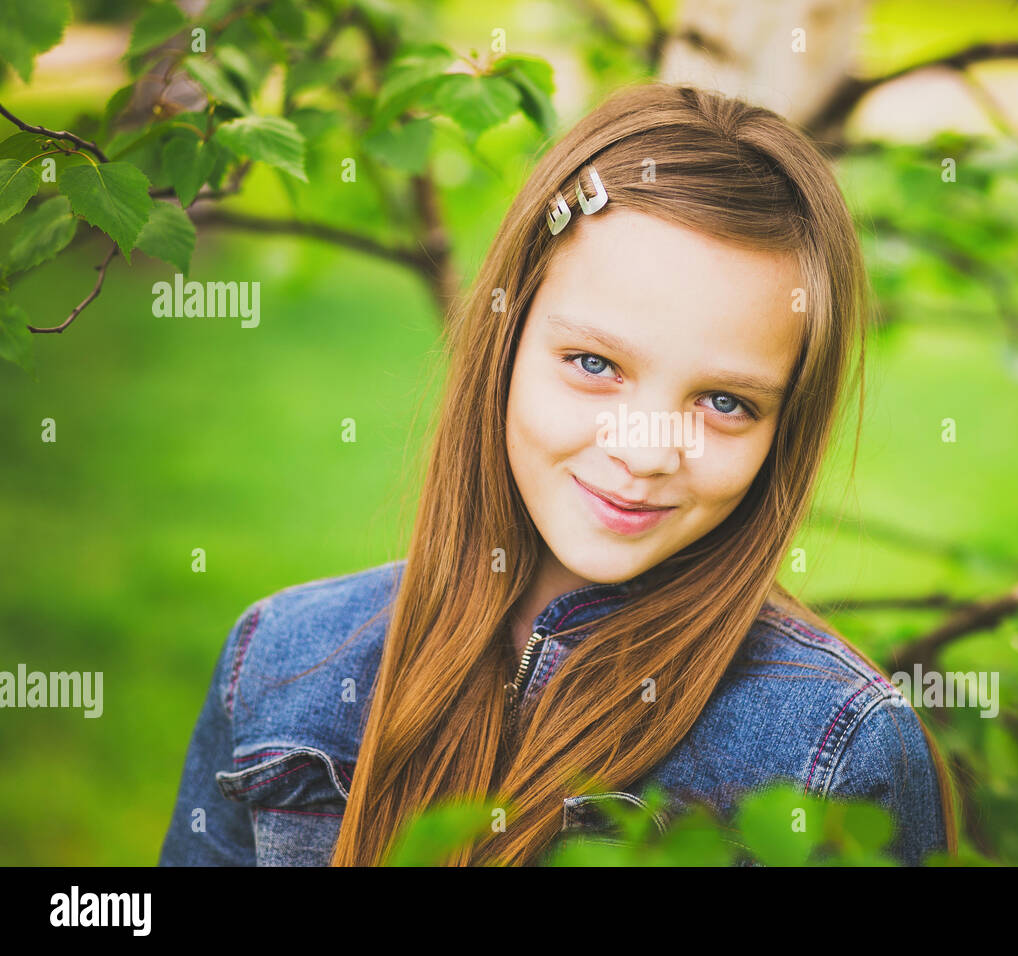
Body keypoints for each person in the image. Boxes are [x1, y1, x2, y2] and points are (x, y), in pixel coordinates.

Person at [159, 81, 957, 867]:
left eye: (724, 401)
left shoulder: (833, 752)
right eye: (595, 363)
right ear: (504, 345)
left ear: (784, 429)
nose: (646, 450)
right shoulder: (281, 665)